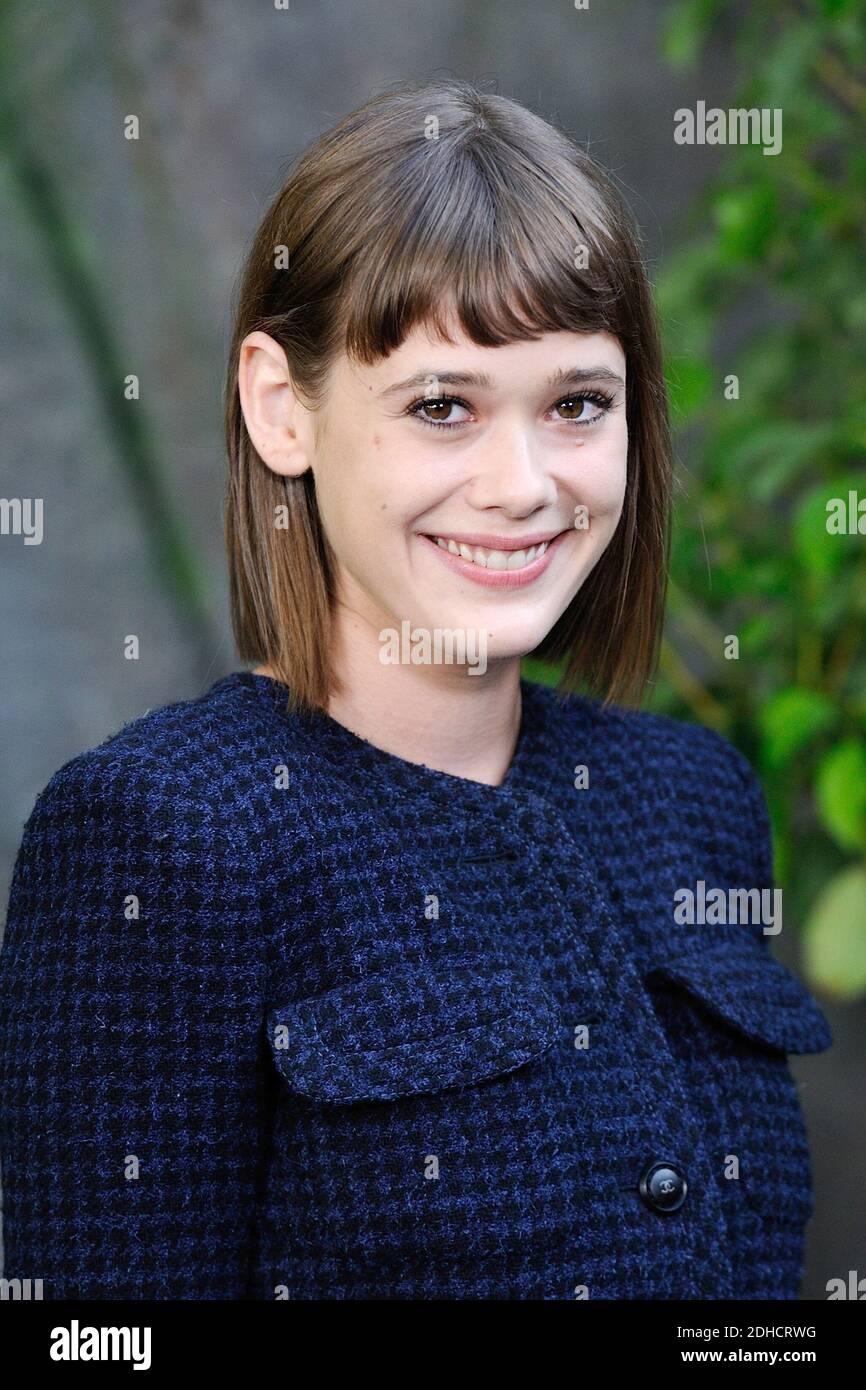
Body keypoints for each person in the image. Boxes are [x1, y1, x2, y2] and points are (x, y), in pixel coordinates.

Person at [0, 78, 831, 1300]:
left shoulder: (690, 795)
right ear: (282, 407)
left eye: (575, 405)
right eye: (442, 406)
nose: (521, 483)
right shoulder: (164, 834)